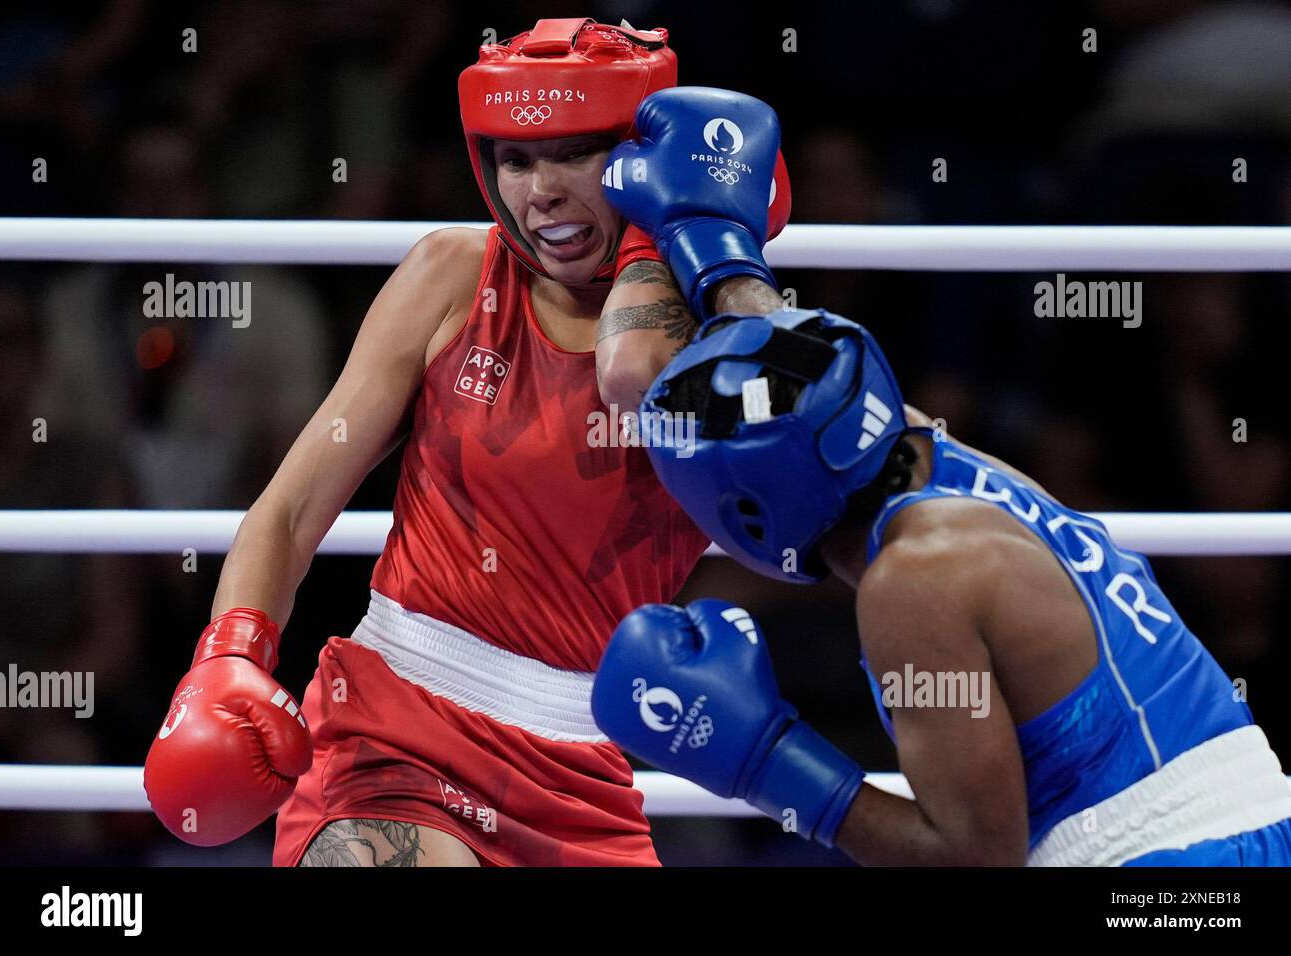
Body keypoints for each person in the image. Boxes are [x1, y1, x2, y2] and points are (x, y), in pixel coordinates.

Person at [588, 86, 1291, 866]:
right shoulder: (936, 462)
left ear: (747, 517)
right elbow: (802, 375)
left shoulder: (913, 584)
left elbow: (971, 862)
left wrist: (766, 763)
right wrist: (711, 244)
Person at [142, 18, 777, 867]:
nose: (539, 190)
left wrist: (683, 248)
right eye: (515, 158)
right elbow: (291, 508)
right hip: (396, 730)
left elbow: (636, 373)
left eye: (574, 152)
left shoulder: (717, 328)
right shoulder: (450, 274)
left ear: (643, 159)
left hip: (584, 770)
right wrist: (228, 654)